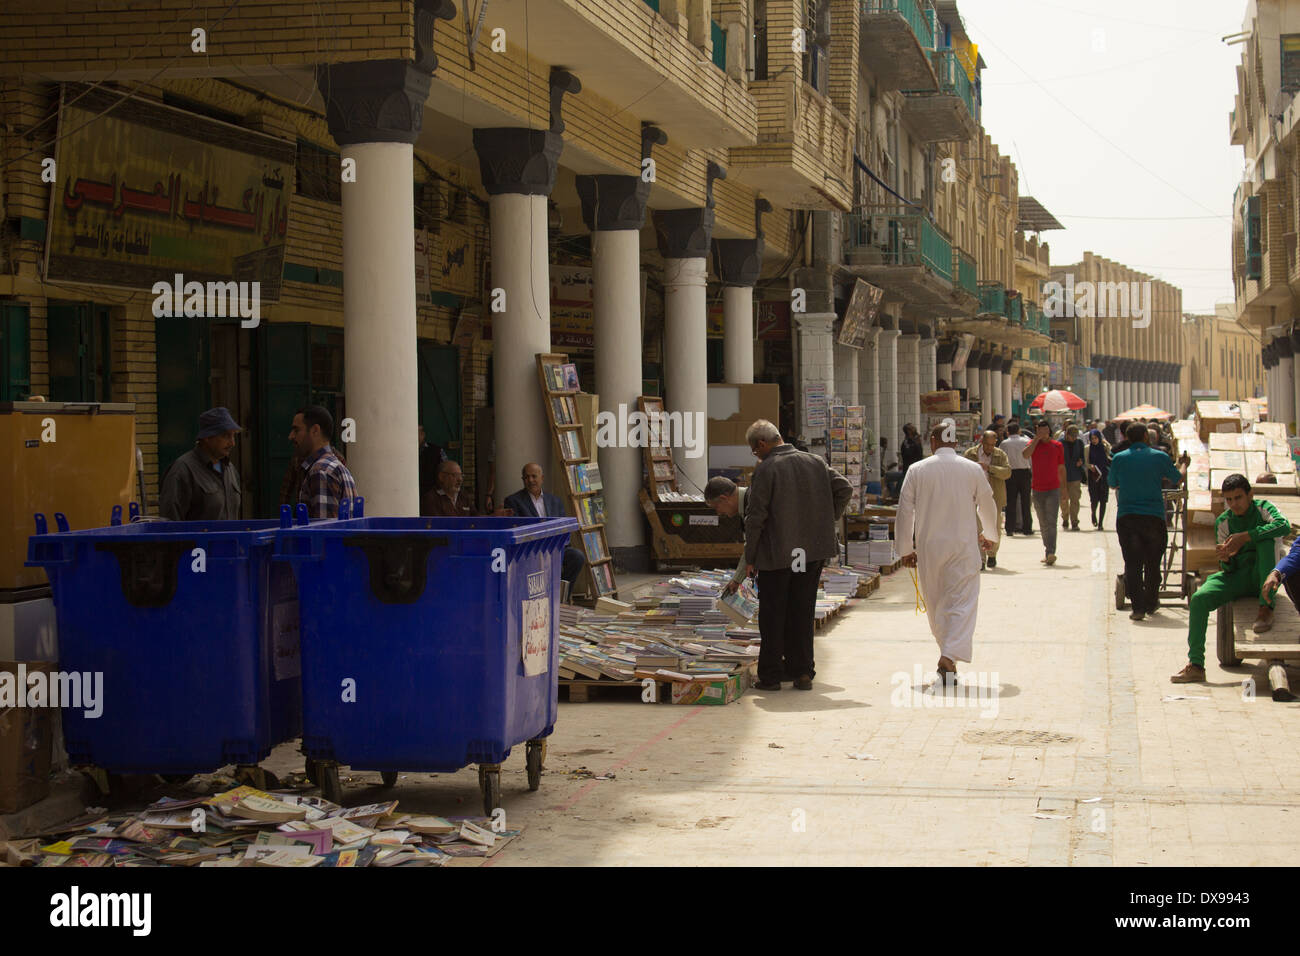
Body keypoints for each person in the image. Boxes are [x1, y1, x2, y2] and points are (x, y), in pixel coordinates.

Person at [742, 420, 853, 691]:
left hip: (778, 553)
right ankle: (802, 671)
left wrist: (750, 555)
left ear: (762, 444)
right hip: (810, 552)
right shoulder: (815, 462)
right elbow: (845, 489)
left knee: (773, 614)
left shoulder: (767, 469)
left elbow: (756, 517)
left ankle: (770, 675)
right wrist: (828, 518)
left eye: (754, 451)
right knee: (801, 611)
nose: (756, 455)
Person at [897, 421, 999, 680]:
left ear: (932, 442)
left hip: (930, 547)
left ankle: (948, 655)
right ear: (955, 443)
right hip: (963, 546)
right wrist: (990, 535)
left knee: (936, 602)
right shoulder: (973, 469)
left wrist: (905, 549)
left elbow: (905, 511)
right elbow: (987, 503)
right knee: (962, 600)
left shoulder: (917, 470)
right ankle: (949, 655)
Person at [1171, 474, 1288, 683]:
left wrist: (1246, 536)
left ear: (1250, 495)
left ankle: (1265, 608)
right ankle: (1196, 665)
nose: (1234, 504)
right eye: (1229, 500)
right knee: (1199, 599)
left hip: (1266, 576)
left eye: (1238, 498)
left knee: (1265, 542)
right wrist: (1226, 558)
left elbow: (1283, 526)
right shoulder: (1224, 522)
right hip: (1238, 577)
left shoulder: (1264, 508)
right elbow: (1227, 566)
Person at [1108, 422, 1188, 622]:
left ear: (1127, 437)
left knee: (1133, 563)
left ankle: (1138, 608)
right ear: (1146, 436)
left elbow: (1111, 483)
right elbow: (1177, 478)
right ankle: (1151, 601)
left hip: (1127, 517)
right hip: (1153, 517)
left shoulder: (1119, 458)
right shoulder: (1159, 457)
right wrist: (1184, 463)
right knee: (1153, 563)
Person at [503, 463, 586, 593]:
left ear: (542, 478)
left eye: (534, 476)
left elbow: (563, 528)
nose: (530, 480)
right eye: (526, 477)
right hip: (531, 549)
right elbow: (516, 529)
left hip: (554, 547)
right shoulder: (513, 501)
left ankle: (560, 594)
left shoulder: (555, 501)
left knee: (577, 557)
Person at [159, 407, 243, 521]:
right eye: (225, 436)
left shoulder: (229, 469)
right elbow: (170, 523)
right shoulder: (182, 470)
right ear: (207, 437)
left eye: (233, 435)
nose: (232, 443)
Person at [289, 405, 357, 519]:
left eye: (297, 430)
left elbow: (323, 531)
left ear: (315, 430)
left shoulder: (321, 471)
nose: (291, 436)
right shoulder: (333, 466)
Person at [963, 429, 1011, 569]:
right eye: (987, 445)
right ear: (982, 442)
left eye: (992, 445)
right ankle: (981, 558)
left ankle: (992, 554)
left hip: (993, 496)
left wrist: (989, 468)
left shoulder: (1000, 455)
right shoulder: (970, 454)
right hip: (974, 496)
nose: (989, 448)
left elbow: (1007, 472)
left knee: (994, 527)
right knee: (977, 527)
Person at [1023, 418, 1065, 565]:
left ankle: (1051, 552)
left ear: (1050, 431)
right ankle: (1047, 550)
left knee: (1051, 522)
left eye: (1046, 430)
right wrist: (1036, 439)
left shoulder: (1057, 445)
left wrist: (1064, 489)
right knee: (1042, 523)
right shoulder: (1033, 444)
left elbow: (1061, 468)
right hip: (1037, 489)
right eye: (1040, 430)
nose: (1044, 433)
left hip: (1053, 489)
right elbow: (1025, 455)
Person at [704, 476, 751, 596]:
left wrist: (736, 579)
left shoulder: (752, 503)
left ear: (724, 498)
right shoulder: (747, 501)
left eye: (716, 507)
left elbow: (752, 544)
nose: (719, 513)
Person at [1000, 421, 1033, 536]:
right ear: (1019, 431)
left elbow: (1001, 459)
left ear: (1008, 432)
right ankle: (1027, 528)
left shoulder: (1004, 443)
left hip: (1011, 474)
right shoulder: (1026, 441)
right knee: (1026, 501)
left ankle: (1009, 528)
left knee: (1010, 502)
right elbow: (1030, 459)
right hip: (1025, 472)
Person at [1059, 423, 1087, 531]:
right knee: (1064, 499)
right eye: (1072, 436)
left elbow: (1082, 457)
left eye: (1076, 436)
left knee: (1075, 499)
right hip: (1063, 476)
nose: (1074, 438)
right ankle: (1065, 517)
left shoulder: (1079, 443)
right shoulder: (1060, 444)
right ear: (1067, 434)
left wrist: (1081, 462)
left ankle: (1074, 521)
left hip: (1075, 475)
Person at [1086, 429, 1111, 529]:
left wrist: (1106, 444)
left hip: (1104, 476)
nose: (1094, 440)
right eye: (1092, 439)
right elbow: (1086, 462)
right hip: (1093, 476)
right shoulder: (1087, 448)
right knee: (1094, 500)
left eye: (1096, 438)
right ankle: (1093, 514)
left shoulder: (1104, 447)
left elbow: (1109, 456)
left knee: (1103, 500)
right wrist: (1090, 466)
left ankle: (1101, 523)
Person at [418, 425, 448, 500]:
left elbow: (446, 471)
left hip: (431, 495)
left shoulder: (436, 451)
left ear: (423, 434)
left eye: (418, 433)